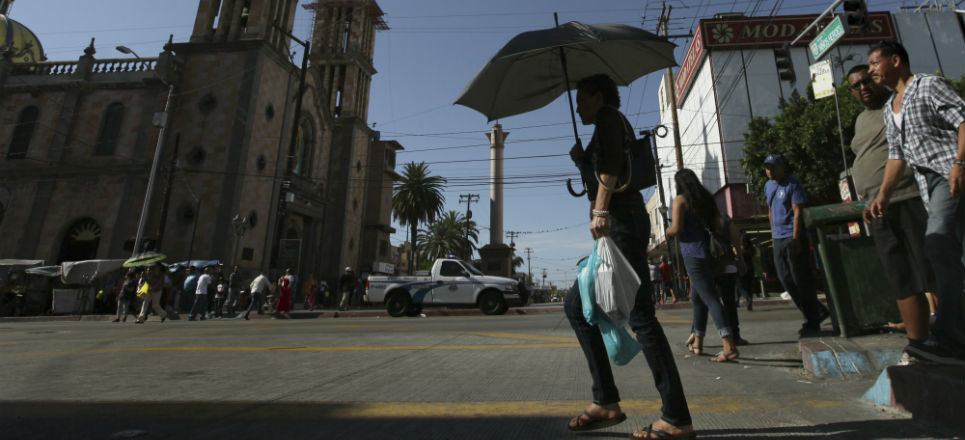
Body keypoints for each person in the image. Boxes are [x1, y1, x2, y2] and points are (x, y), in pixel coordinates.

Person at [564, 74, 693, 439]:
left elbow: (612, 169)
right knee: (577, 307)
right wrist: (581, 160)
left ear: (598, 96)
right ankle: (606, 400)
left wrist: (600, 211)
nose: (578, 106)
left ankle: (677, 418)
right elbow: (602, 168)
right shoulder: (607, 124)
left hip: (619, 222)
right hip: (620, 222)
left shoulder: (607, 118)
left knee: (641, 317)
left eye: (581, 98)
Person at [867, 41, 965, 365]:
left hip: (948, 174)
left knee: (936, 245)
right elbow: (896, 156)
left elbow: (963, 120)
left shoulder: (929, 86)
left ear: (896, 60)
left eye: (874, 64)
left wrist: (960, 163)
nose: (871, 71)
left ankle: (949, 339)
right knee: (953, 254)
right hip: (928, 185)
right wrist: (883, 194)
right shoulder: (890, 108)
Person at [846, 63, 936, 362]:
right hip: (877, 207)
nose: (863, 89)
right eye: (855, 86)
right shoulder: (861, 120)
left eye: (867, 81)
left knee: (931, 272)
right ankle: (919, 345)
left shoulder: (900, 104)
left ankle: (949, 335)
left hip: (907, 197)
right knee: (901, 278)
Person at [666, 168, 740, 362]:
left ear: (679, 183)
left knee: (711, 299)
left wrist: (668, 230)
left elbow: (677, 228)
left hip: (692, 254)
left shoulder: (680, 200)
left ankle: (728, 344)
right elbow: (717, 224)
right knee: (698, 299)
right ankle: (698, 342)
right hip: (708, 252)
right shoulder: (704, 199)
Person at [763, 153, 830, 337]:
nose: (770, 171)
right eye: (767, 168)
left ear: (782, 167)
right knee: (785, 279)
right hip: (778, 238)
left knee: (801, 279)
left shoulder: (793, 184)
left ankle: (812, 321)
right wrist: (773, 235)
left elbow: (797, 212)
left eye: (773, 167)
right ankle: (817, 311)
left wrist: (796, 238)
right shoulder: (768, 186)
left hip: (793, 236)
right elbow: (770, 210)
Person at [737, 235, 756, 311]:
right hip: (750, 269)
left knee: (741, 286)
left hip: (741, 269)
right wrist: (762, 270)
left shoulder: (738, 249)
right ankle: (750, 299)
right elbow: (755, 260)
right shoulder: (751, 249)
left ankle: (747, 298)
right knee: (749, 286)